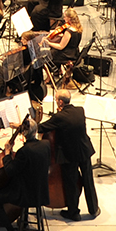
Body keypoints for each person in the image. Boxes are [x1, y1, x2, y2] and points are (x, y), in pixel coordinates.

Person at [0, 119, 53, 231]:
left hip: (26, 195)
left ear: (23, 135)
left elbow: (10, 170)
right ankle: (24, 224)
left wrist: (7, 154)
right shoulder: (46, 145)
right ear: (35, 132)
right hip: (41, 192)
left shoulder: (24, 151)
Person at [39, 89, 98, 220]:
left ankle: (73, 213)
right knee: (88, 179)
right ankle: (93, 208)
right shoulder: (80, 111)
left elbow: (42, 127)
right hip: (84, 150)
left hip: (69, 155)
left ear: (60, 102)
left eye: (56, 100)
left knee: (71, 183)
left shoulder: (59, 117)